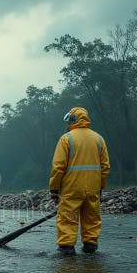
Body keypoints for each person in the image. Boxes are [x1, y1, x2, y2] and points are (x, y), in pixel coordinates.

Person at [49, 107, 110, 255]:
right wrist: (100, 187)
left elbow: (58, 167)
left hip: (72, 188)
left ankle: (67, 249)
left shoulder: (66, 139)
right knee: (91, 218)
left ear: (72, 119)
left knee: (68, 218)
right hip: (93, 188)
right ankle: (90, 247)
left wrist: (54, 189)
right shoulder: (99, 139)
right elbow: (105, 167)